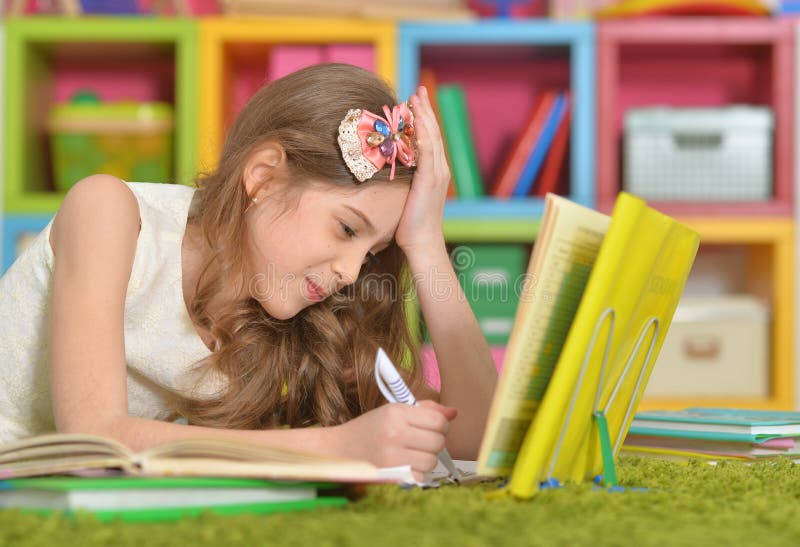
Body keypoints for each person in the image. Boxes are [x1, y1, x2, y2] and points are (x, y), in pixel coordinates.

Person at [0, 63, 498, 478]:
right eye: (347, 230)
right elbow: (93, 442)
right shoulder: (108, 213)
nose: (350, 272)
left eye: (371, 253)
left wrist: (427, 243)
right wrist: (334, 448)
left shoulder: (302, 315)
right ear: (262, 178)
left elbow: (471, 442)